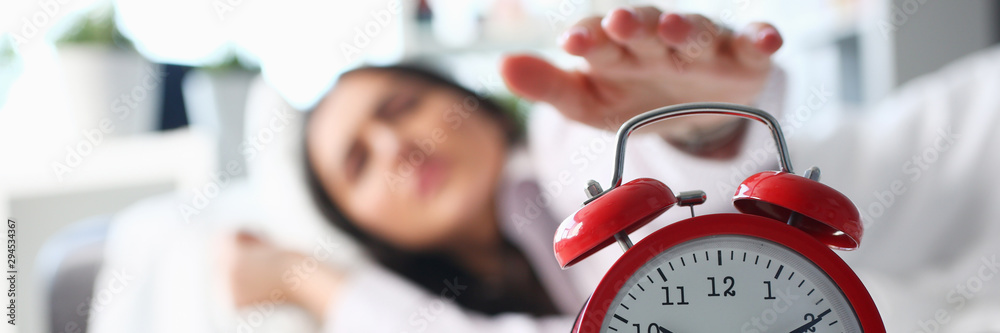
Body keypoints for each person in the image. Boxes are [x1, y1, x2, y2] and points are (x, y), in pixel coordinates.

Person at [225, 5, 1000, 333]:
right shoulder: (461, 300)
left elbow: (690, 206)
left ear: (479, 107)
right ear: (362, 226)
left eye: (401, 108)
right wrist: (304, 276)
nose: (398, 147)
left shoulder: (572, 132)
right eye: (359, 161)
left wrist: (696, 127)